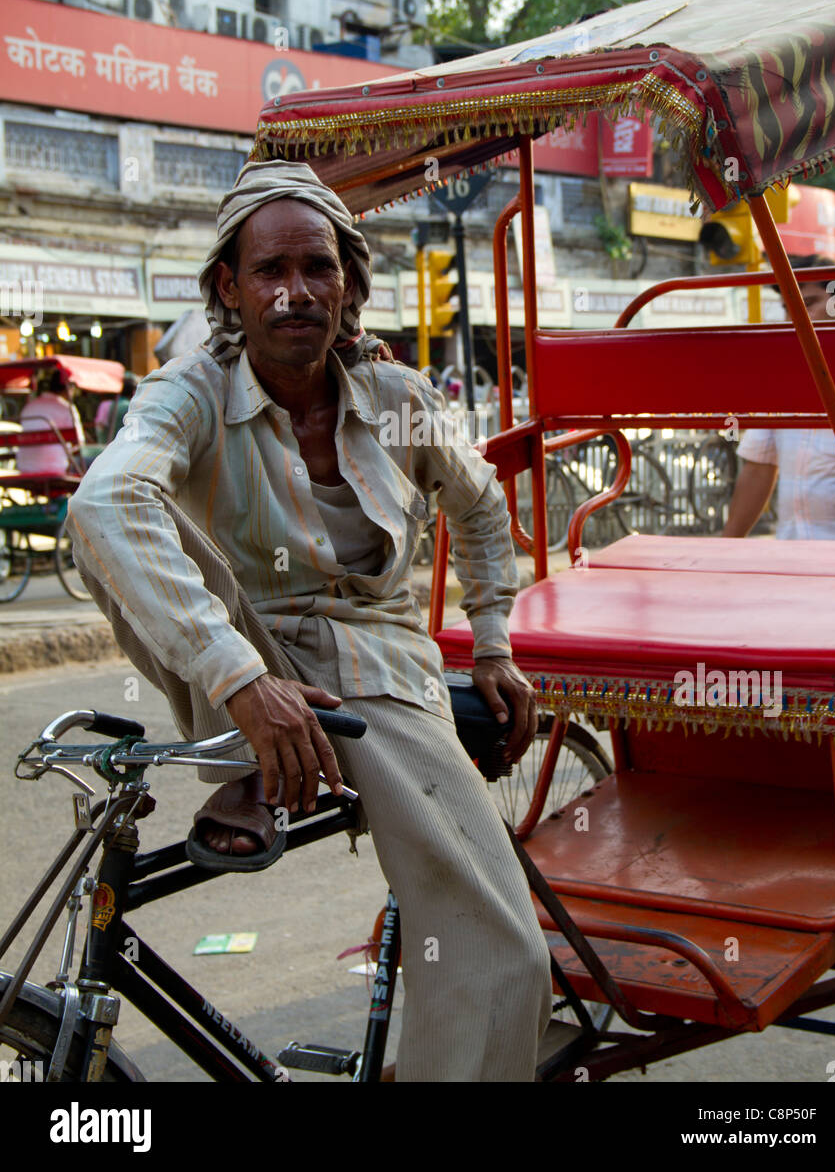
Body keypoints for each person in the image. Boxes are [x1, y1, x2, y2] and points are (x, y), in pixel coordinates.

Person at [67, 159, 552, 1082]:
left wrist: (492, 641)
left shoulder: (402, 400)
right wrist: (244, 682)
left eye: (317, 269)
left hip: (378, 670)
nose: (295, 294)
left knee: (504, 956)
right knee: (114, 508)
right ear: (229, 288)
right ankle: (253, 750)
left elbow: (484, 508)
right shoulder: (191, 391)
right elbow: (107, 505)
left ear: (348, 283)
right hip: (243, 654)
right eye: (269, 272)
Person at [723, 256, 835, 540]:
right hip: (791, 550)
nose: (797, 318)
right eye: (790, 309)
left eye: (808, 304)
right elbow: (759, 466)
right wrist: (725, 547)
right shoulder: (781, 376)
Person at [16, 369, 85, 476]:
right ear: (69, 388)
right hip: (57, 467)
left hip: (24, 466)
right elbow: (79, 442)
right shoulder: (67, 408)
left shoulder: (30, 406)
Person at [93, 372, 139, 445]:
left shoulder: (105, 405)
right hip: (126, 447)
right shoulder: (134, 407)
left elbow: (100, 427)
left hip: (108, 447)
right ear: (133, 392)